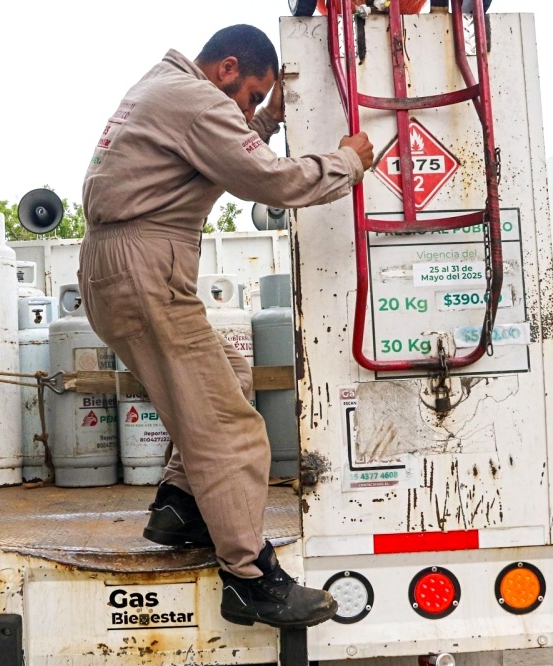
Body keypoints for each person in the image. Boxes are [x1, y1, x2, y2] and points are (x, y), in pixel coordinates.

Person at [78, 24, 374, 628]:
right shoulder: (195, 100)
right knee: (230, 427)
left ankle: (180, 508)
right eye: (253, 96)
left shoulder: (167, 90)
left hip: (119, 268)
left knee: (232, 379)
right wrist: (347, 162)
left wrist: (264, 122)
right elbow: (270, 180)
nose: (252, 110)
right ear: (227, 67)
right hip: (143, 270)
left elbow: (227, 150)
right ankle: (250, 579)